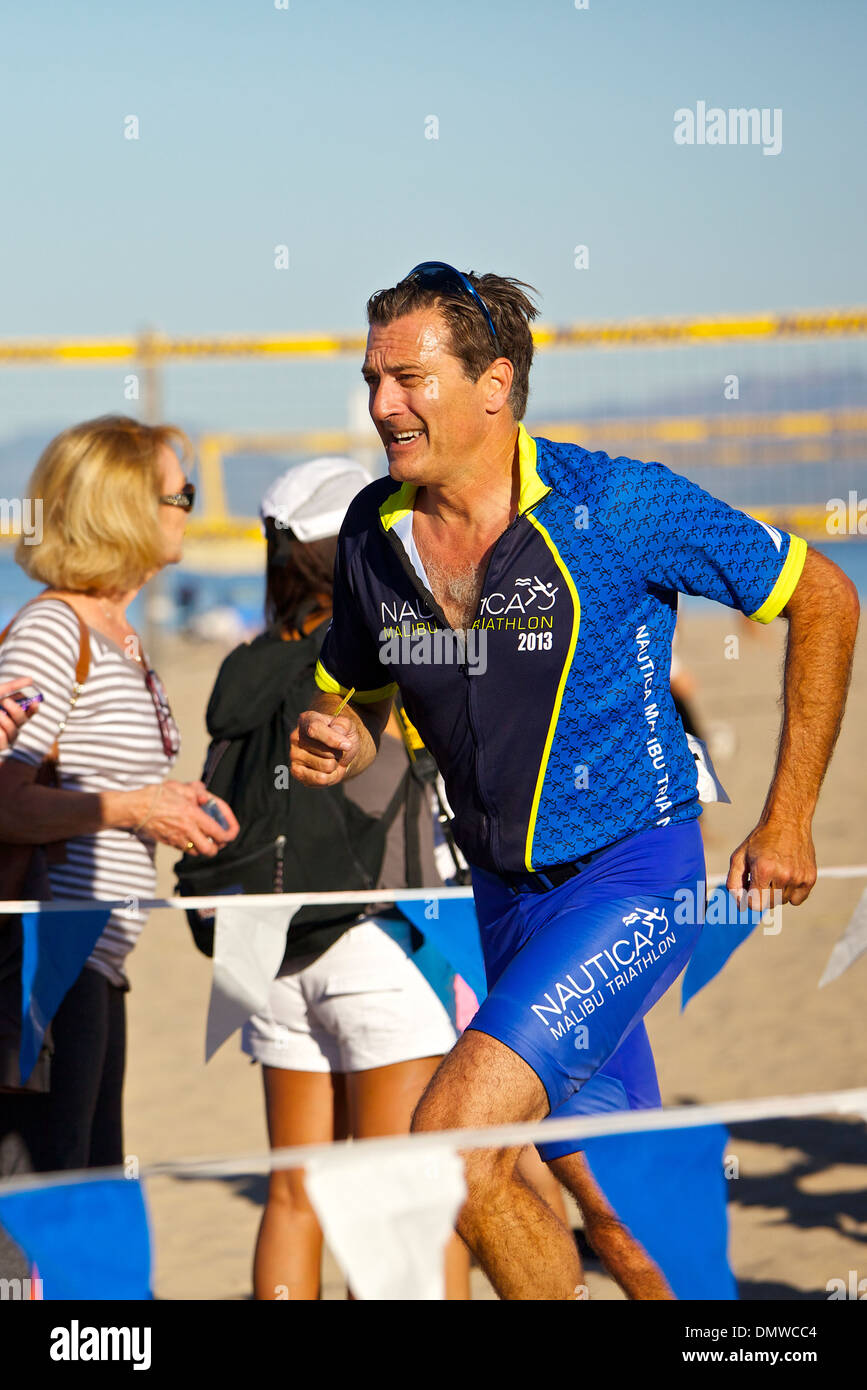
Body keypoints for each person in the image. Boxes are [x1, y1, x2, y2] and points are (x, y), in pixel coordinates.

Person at [289, 263, 860, 1300]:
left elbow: (824, 594)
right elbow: (355, 696)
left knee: (452, 1144)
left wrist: (788, 814)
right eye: (373, 378)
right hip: (507, 904)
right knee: (621, 1223)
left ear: (495, 383)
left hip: (632, 882)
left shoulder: (615, 505)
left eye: (408, 378)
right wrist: (341, 739)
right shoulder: (374, 534)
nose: (381, 404)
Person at [196, 458, 467, 1299]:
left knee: (297, 1192)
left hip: (266, 952)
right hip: (379, 939)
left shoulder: (243, 667)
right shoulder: (382, 654)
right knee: (408, 1197)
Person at [0, 414, 238, 1178]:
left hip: (95, 957)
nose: (191, 509)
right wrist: (139, 807)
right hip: (48, 955)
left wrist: (172, 803)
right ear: (123, 506)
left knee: (88, 1182)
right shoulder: (52, 630)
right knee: (47, 1194)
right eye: (180, 493)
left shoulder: (117, 637)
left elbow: (98, 782)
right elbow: (6, 804)